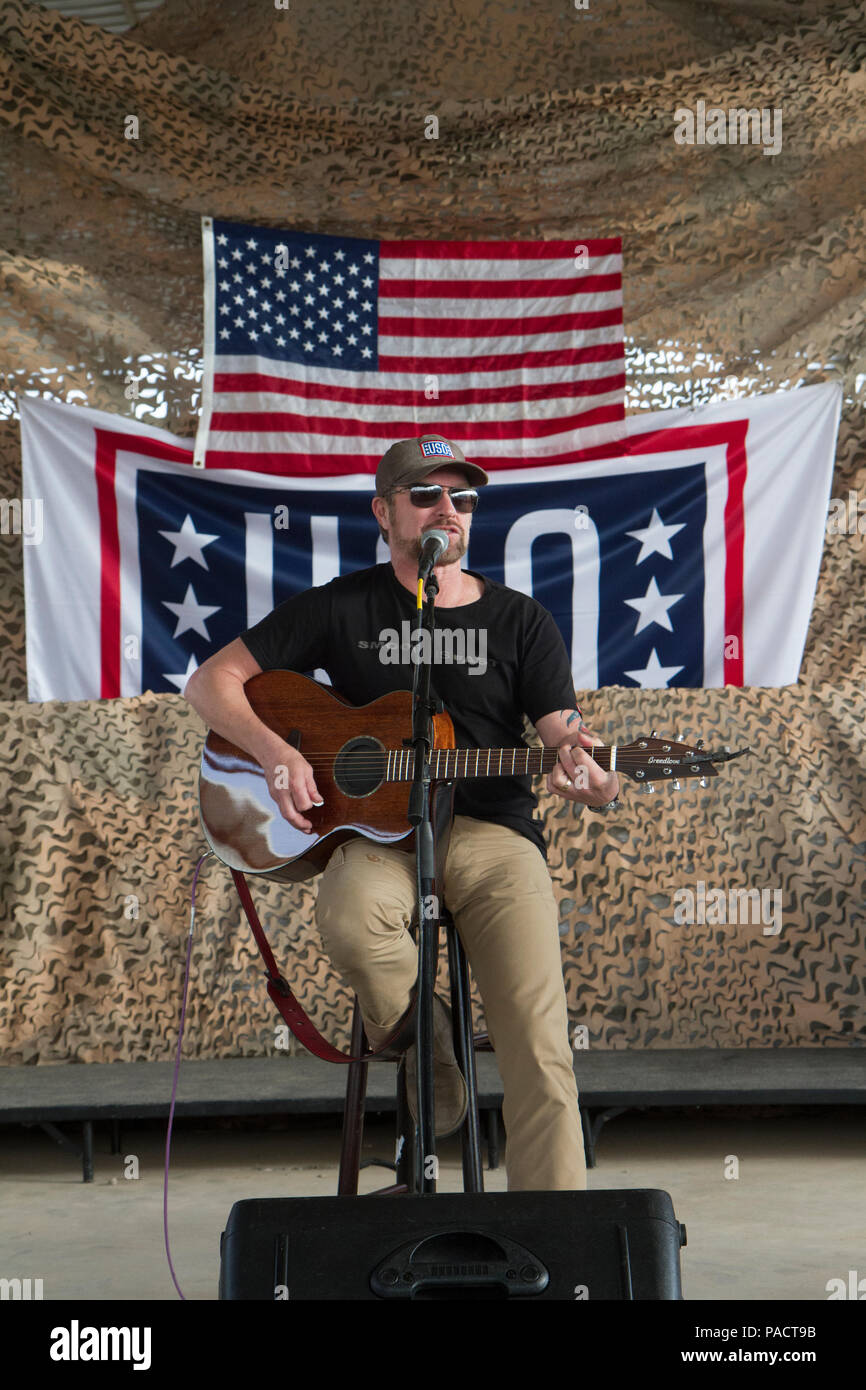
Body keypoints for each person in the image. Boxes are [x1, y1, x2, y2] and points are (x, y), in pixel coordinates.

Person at [184, 434, 619, 1190]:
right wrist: (273, 752)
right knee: (350, 917)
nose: (449, 510)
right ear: (385, 513)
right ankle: (430, 1037)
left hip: (492, 836)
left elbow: (563, 737)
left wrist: (597, 776)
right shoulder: (343, 605)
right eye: (427, 496)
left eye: (463, 498)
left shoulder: (520, 620)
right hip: (383, 836)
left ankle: (558, 1231)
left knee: (540, 1045)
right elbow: (210, 684)